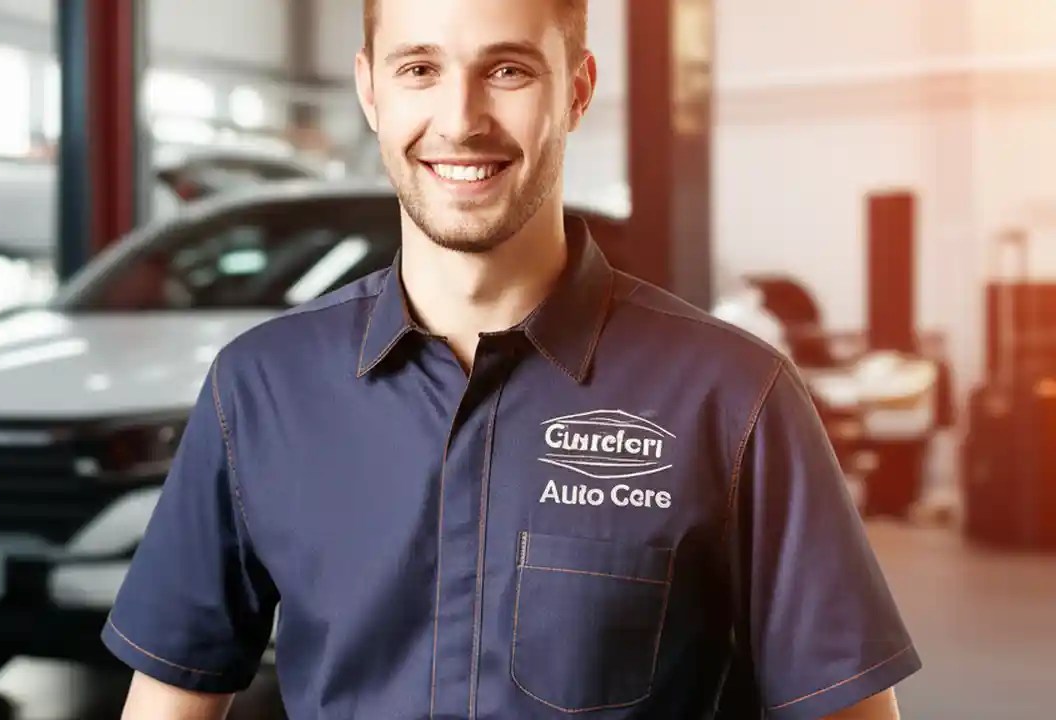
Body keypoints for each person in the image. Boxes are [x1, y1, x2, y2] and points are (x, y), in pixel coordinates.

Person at [102, 0, 921, 717]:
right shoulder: (262, 389)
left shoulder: (732, 398)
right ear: (370, 89)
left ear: (577, 90)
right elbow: (171, 696)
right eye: (419, 69)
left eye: (507, 70)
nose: (460, 120)